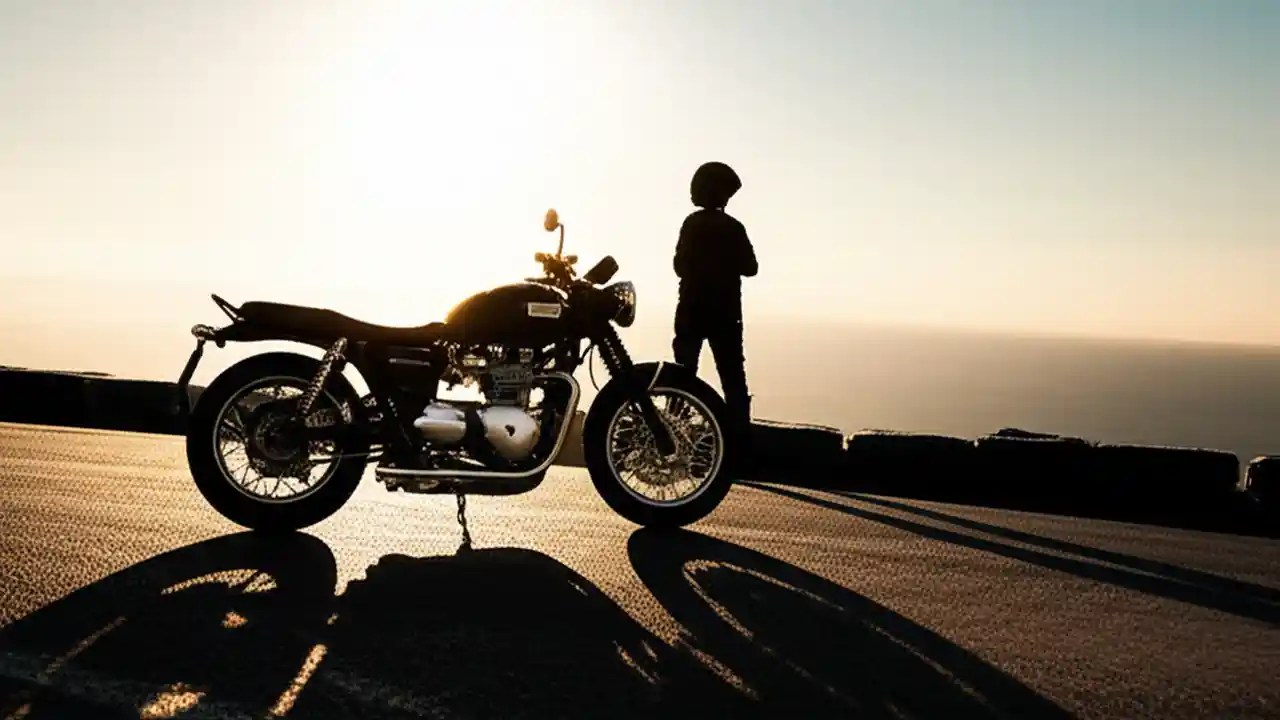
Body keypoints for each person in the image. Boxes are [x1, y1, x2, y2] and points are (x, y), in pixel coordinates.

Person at [671, 161, 757, 440]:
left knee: (682, 377)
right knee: (733, 380)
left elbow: (679, 266)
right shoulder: (734, 227)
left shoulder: (691, 224)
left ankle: (673, 435)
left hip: (691, 311)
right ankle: (740, 443)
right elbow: (751, 267)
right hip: (726, 314)